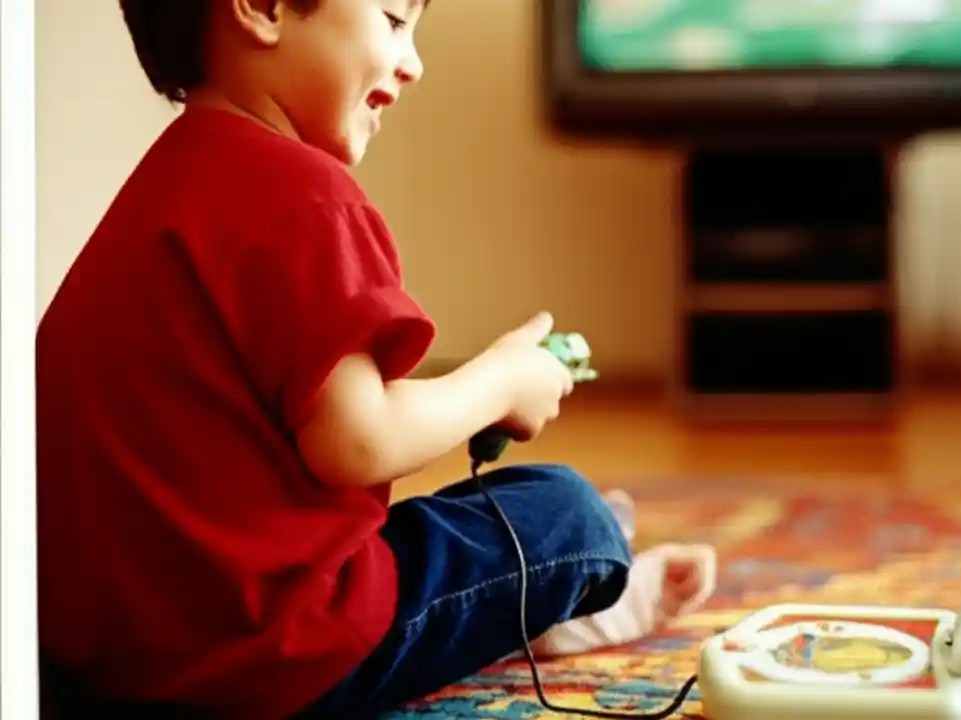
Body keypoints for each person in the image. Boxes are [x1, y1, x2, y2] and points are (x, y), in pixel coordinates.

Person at [36, 1, 713, 717]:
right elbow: (361, 440)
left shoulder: (158, 191)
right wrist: (503, 378)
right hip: (268, 659)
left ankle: (519, 600)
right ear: (263, 8)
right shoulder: (304, 193)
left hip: (109, 668)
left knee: (471, 528)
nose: (413, 62)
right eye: (393, 19)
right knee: (566, 517)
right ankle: (556, 606)